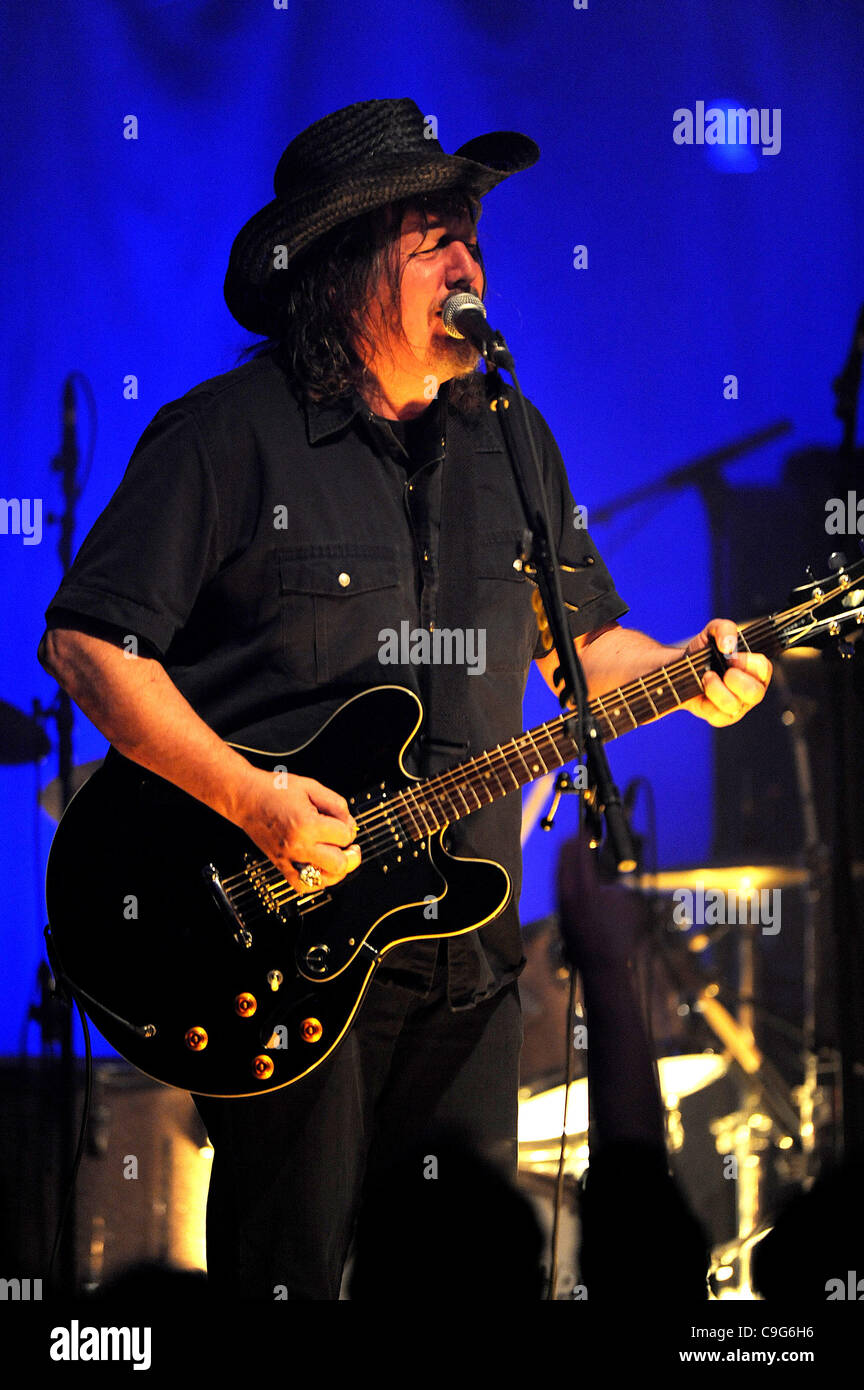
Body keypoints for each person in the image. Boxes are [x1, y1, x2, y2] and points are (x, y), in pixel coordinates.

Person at [38, 97, 772, 1299]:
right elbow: (90, 644)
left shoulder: (511, 438)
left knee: (461, 1284)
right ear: (341, 268)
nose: (468, 259)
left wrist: (701, 677)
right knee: (293, 1275)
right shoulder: (230, 438)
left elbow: (575, 650)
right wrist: (256, 800)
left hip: (471, 948)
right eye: (431, 235)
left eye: (471, 234)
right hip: (285, 945)